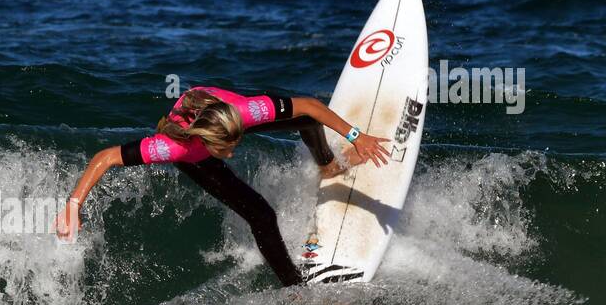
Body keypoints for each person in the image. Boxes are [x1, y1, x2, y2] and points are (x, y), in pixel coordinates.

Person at [54, 86, 391, 286]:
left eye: (235, 143)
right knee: (261, 215)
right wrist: (73, 206)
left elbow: (308, 105)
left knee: (305, 119)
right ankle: (295, 287)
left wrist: (356, 137)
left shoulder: (245, 112)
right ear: (208, 142)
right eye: (227, 149)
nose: (233, 153)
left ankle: (328, 165)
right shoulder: (174, 148)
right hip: (195, 151)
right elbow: (106, 156)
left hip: (224, 116)